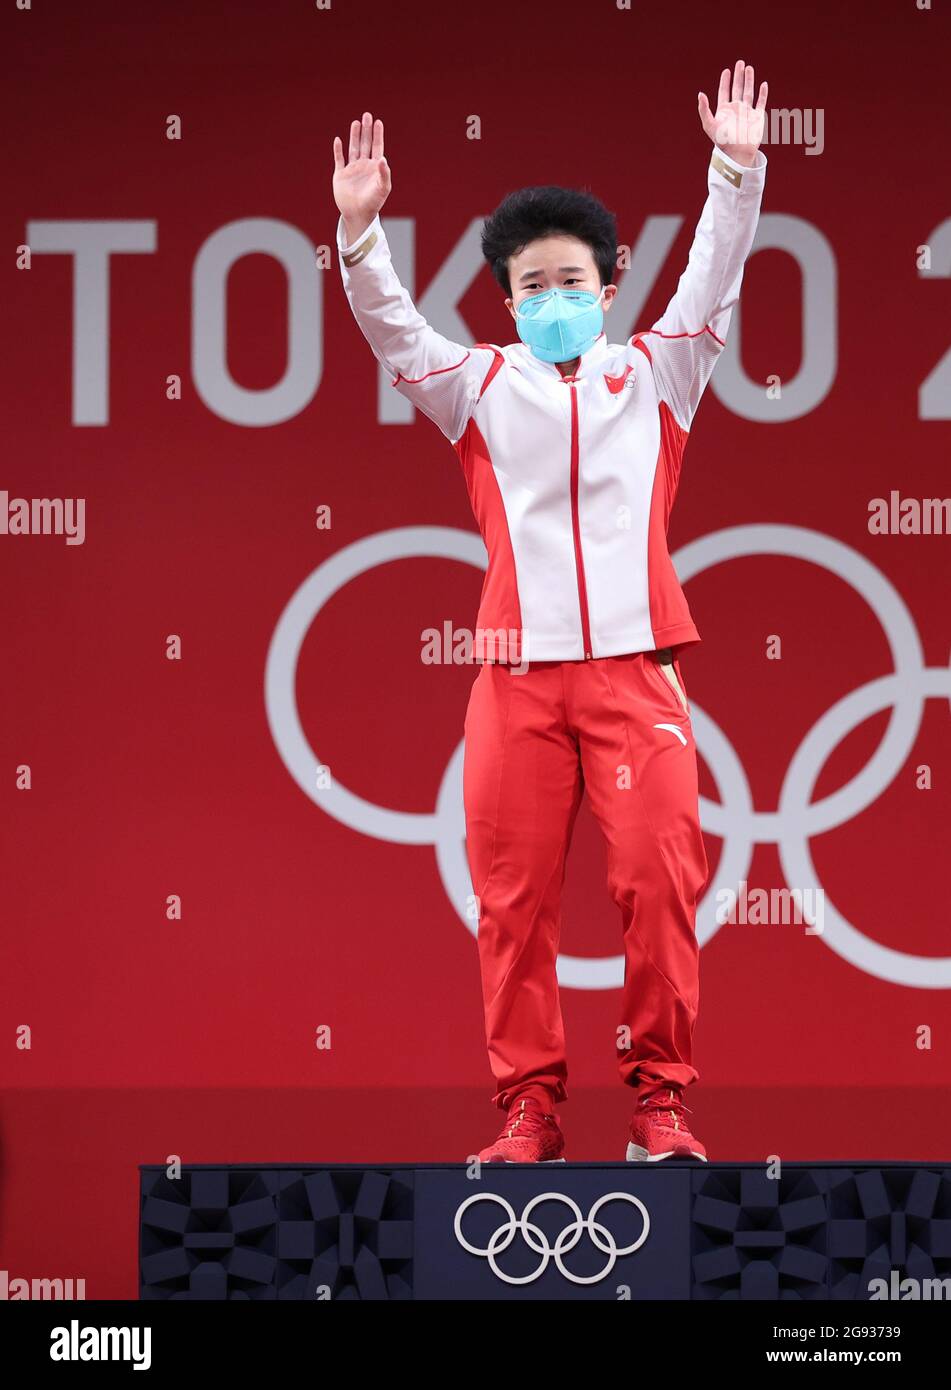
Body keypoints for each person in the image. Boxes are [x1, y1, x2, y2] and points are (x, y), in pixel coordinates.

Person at [333, 60, 768, 1163]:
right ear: (509, 300)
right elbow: (392, 330)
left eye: (572, 281)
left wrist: (736, 167)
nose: (553, 301)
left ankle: (661, 1106)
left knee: (660, 885)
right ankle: (528, 1108)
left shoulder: (660, 374)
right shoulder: (477, 385)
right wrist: (358, 235)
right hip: (516, 680)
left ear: (611, 284)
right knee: (513, 906)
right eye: (532, 287)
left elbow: (715, 275)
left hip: (637, 674)